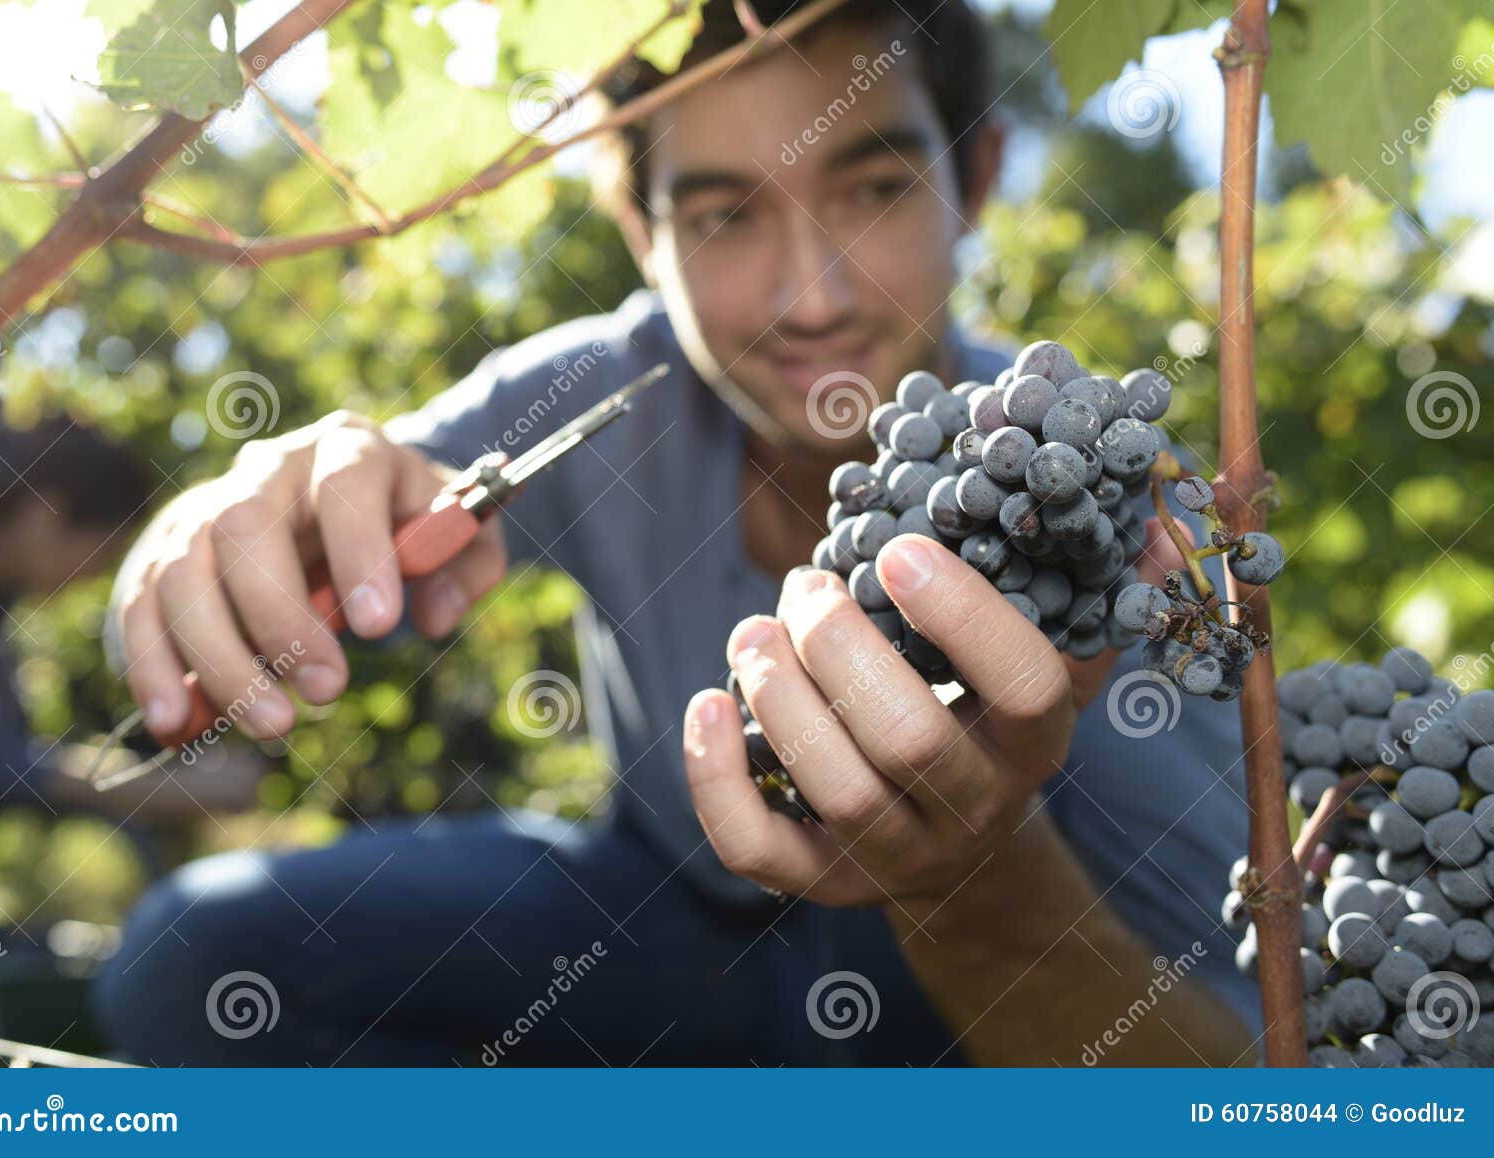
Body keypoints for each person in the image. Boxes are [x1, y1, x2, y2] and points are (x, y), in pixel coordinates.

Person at [94, 0, 1259, 1066]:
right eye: (721, 217)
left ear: (979, 176)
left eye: (875, 189)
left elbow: (1221, 1074)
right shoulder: (595, 396)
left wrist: (980, 897)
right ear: (637, 231)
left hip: (952, 997)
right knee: (193, 959)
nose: (813, 295)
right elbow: (325, 519)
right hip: (657, 928)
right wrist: (206, 553)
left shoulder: (1100, 495)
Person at [0, 411, 263, 825]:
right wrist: (179, 788)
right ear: (46, 514)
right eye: (102, 554)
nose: (94, 576)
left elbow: (7, 738)